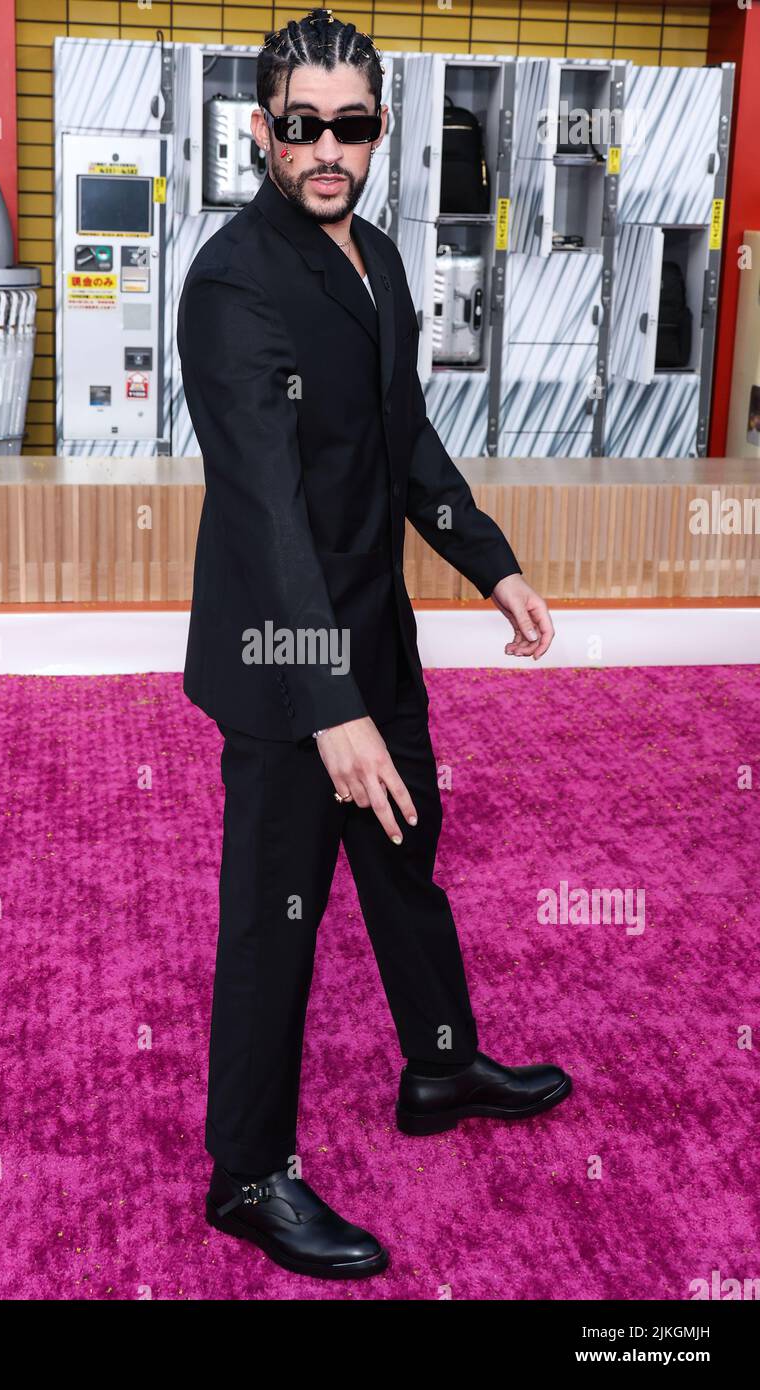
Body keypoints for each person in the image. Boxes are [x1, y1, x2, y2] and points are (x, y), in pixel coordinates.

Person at [177, 8, 571, 1282]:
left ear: (378, 130)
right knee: (273, 921)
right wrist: (327, 705)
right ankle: (245, 1173)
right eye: (303, 125)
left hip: (377, 636)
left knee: (406, 856)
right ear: (262, 131)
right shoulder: (234, 281)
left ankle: (441, 1061)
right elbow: (265, 509)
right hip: (290, 671)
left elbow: (406, 447)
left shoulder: (383, 261)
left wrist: (490, 558)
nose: (327, 146)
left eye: (351, 123)